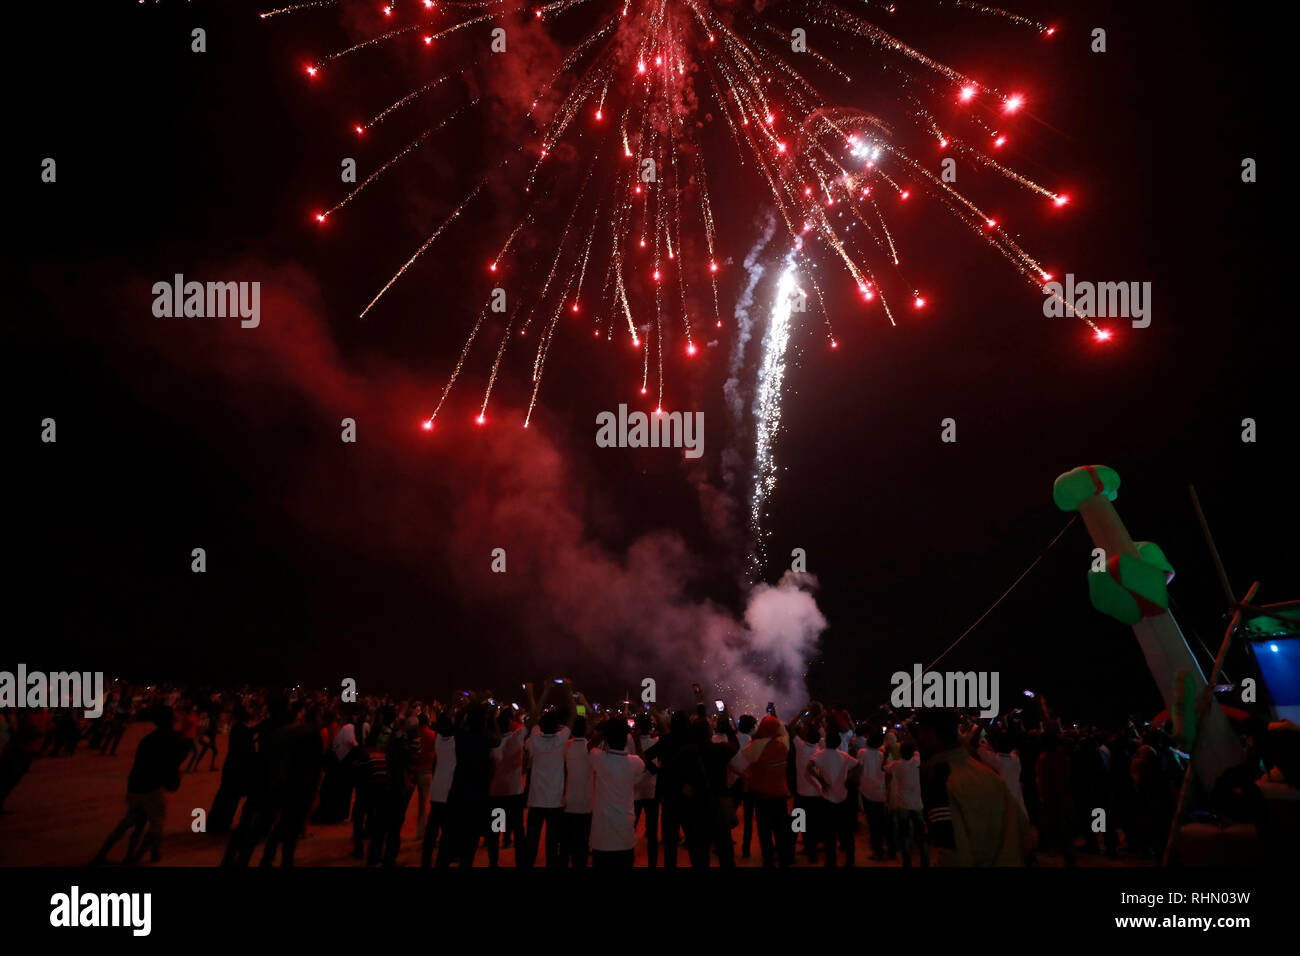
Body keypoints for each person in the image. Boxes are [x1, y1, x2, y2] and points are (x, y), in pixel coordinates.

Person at [914, 709, 1032, 866]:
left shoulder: (940, 781)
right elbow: (1024, 833)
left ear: (930, 734)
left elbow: (953, 856)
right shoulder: (989, 774)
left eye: (920, 732)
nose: (918, 739)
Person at [90, 706, 184, 865]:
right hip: (153, 788)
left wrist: (130, 788)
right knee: (156, 824)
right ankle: (137, 857)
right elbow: (172, 766)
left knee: (130, 822)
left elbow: (138, 765)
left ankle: (103, 853)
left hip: (136, 786)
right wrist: (173, 783)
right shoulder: (173, 739)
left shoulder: (148, 739)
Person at [588, 718, 645, 867]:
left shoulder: (598, 757)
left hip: (601, 835)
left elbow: (590, 745)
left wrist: (604, 731)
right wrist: (637, 739)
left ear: (606, 737)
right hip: (625, 832)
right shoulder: (635, 762)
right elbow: (642, 760)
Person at [738, 714, 794, 867]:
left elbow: (736, 764)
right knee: (781, 830)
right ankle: (783, 860)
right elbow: (785, 732)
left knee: (764, 832)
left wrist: (747, 775)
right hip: (781, 796)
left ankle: (768, 861)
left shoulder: (755, 747)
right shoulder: (784, 744)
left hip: (762, 797)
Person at [521, 710, 570, 867]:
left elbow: (534, 715)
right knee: (552, 844)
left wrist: (540, 692)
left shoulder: (535, 738)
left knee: (531, 842)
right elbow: (574, 715)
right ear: (557, 727)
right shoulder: (561, 739)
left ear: (540, 726)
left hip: (536, 801)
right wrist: (568, 691)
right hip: (555, 802)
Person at [809, 720, 859, 866]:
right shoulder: (844, 756)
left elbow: (809, 767)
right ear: (838, 743)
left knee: (829, 834)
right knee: (847, 833)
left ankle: (830, 862)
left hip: (827, 800)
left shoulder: (820, 754)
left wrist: (821, 780)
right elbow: (858, 765)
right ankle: (850, 861)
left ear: (826, 742)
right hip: (843, 798)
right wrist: (850, 780)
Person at [421, 711, 456, 866]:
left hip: (436, 793)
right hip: (449, 793)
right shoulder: (456, 742)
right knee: (447, 834)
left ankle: (426, 860)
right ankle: (443, 861)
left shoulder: (438, 741)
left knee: (431, 832)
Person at [885, 741, 927, 867]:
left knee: (905, 835)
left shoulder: (896, 765)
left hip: (902, 804)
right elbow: (917, 751)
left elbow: (885, 768)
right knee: (921, 835)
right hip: (917, 804)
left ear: (900, 752)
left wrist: (886, 754)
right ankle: (925, 861)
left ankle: (907, 862)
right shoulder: (916, 761)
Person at [561, 715, 594, 867]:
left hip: (568, 800)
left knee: (566, 842)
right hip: (586, 802)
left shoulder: (566, 745)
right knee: (582, 843)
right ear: (586, 729)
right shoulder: (592, 749)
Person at [856, 729, 893, 860]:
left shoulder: (862, 752)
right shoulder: (882, 755)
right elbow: (889, 774)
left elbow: (859, 769)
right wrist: (886, 786)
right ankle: (888, 850)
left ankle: (878, 851)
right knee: (882, 822)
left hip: (867, 791)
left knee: (873, 823)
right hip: (880, 791)